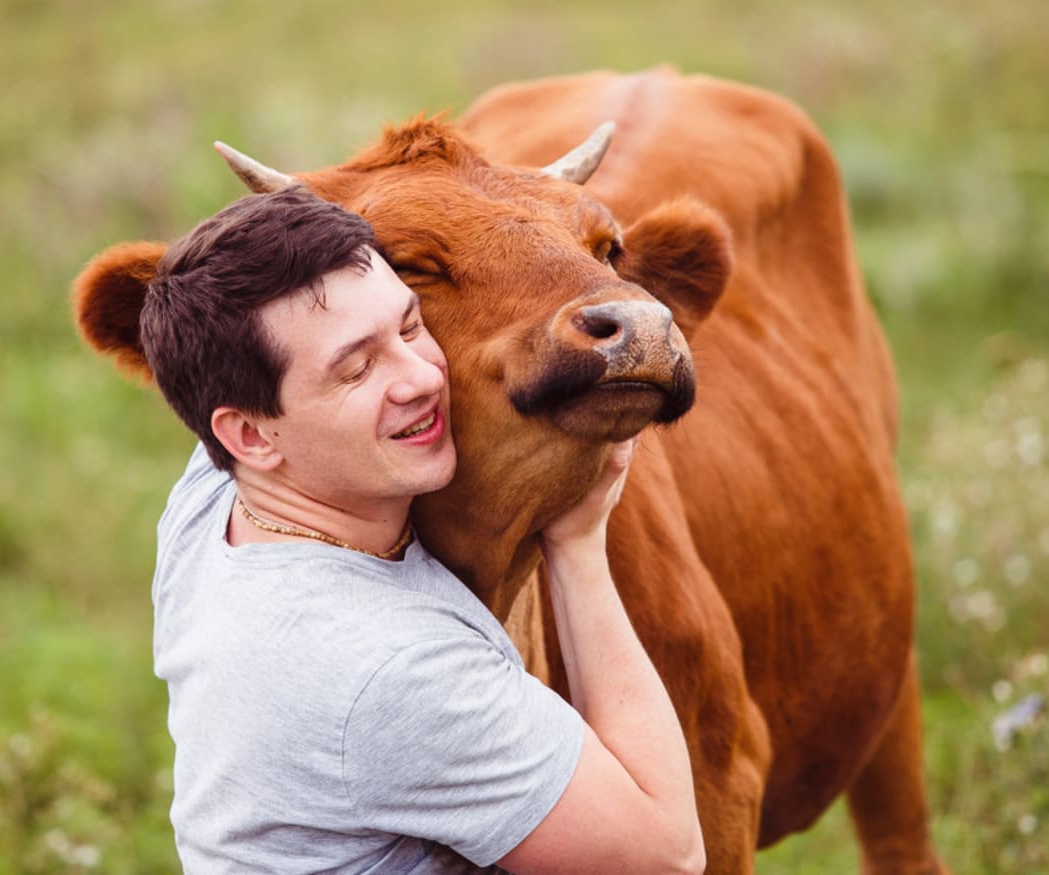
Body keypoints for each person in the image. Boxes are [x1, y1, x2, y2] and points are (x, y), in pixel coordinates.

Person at [139, 185, 704, 874]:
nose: (423, 377)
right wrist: (578, 545)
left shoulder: (210, 495)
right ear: (251, 433)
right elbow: (667, 855)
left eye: (411, 324)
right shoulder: (393, 672)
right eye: (357, 368)